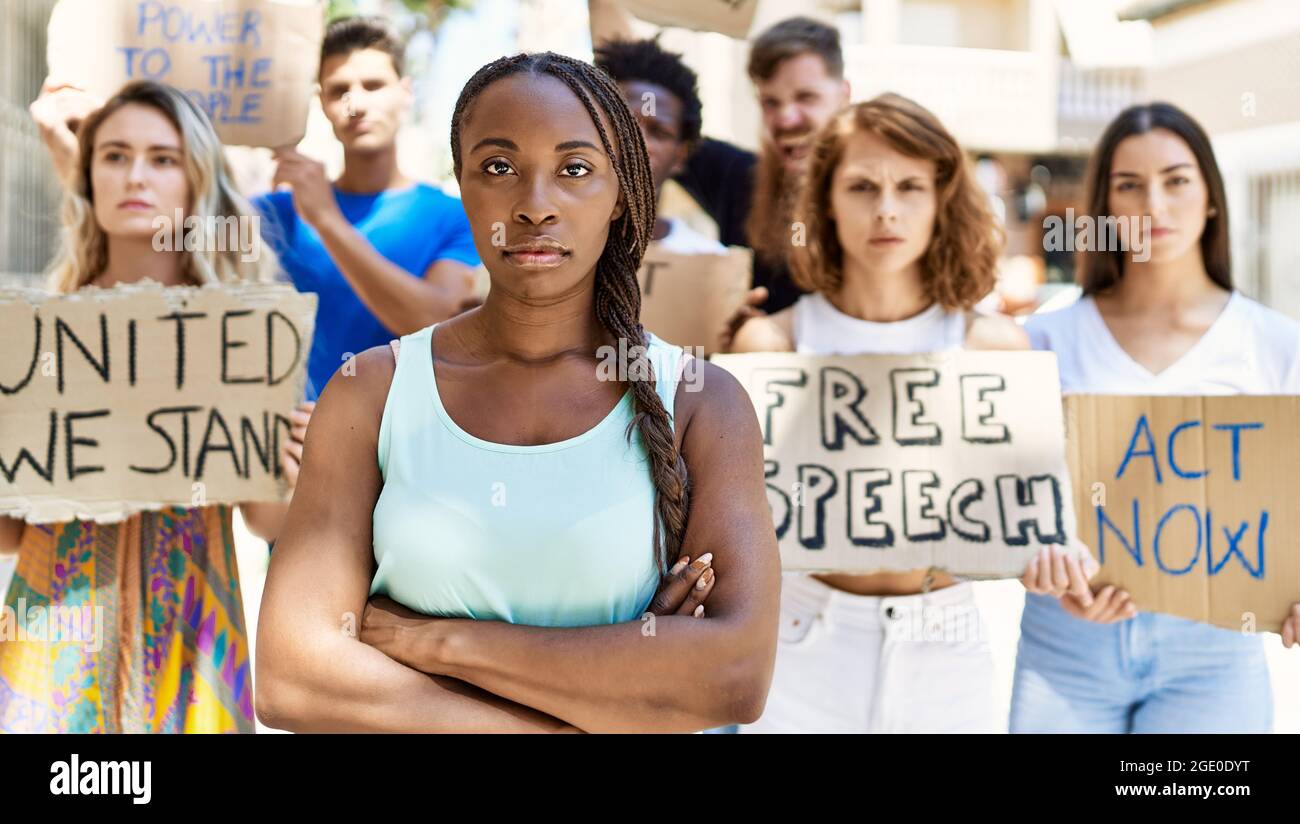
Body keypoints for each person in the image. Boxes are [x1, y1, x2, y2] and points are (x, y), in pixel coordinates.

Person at [254, 52, 781, 733]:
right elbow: (290, 678)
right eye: (499, 167)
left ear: (621, 194)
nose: (535, 206)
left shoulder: (702, 401)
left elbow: (735, 676)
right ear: (463, 187)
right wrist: (608, 697)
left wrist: (438, 644)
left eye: (575, 169)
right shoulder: (372, 392)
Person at [730, 94, 1081, 733]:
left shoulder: (994, 348)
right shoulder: (769, 347)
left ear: (942, 199)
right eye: (862, 186)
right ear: (826, 203)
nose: (887, 209)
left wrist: (1053, 552)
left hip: (947, 644)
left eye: (911, 186)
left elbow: (1035, 508)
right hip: (802, 640)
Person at [0, 80, 287, 732]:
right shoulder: (35, 334)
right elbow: (9, 535)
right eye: (114, 155)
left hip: (190, 651)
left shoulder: (241, 332)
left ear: (195, 181)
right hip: (50, 649)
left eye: (162, 158)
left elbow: (269, 523)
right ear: (88, 177)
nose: (137, 175)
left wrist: (289, 458)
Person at [1011, 102, 1300, 733]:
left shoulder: (1278, 345)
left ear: (1212, 197)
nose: (1153, 205)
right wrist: (1040, 562)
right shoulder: (1041, 340)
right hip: (1066, 646)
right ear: (1106, 207)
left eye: (1176, 180)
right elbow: (1009, 498)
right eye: (1129, 185)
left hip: (1215, 652)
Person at [255, 16, 481, 402]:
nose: (355, 103)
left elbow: (433, 321)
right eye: (338, 89)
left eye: (374, 86)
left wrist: (327, 220)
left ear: (405, 92)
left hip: (399, 441)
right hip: (292, 442)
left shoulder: (456, 216)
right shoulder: (274, 215)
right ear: (321, 103)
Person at [673, 16, 850, 316]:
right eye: (770, 102)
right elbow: (639, 103)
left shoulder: (880, 192)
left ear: (844, 95)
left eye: (806, 97)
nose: (786, 119)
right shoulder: (739, 179)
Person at [593, 36, 723, 254]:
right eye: (621, 123)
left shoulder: (710, 263)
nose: (638, 142)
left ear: (680, 156)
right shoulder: (541, 245)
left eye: (658, 132)